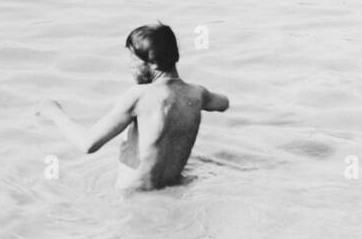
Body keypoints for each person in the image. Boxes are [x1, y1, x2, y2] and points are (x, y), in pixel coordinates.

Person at [39, 23, 229, 192]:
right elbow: (223, 103)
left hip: (134, 201)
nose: (129, 66)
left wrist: (54, 112)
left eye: (133, 59)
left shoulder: (139, 96)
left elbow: (88, 144)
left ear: (153, 63)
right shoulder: (197, 95)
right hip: (172, 193)